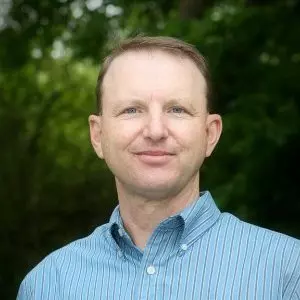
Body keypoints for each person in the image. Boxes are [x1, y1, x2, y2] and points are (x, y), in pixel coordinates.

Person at [17, 36, 300, 299]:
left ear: (210, 134)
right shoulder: (47, 285)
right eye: (132, 110)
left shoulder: (288, 272)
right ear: (97, 135)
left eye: (177, 109)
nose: (155, 130)